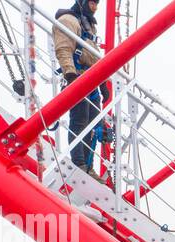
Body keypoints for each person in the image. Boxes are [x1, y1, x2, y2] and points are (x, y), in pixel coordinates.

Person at [53, 0, 106, 180]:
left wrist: (103, 83)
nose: (95, 7)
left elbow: (94, 55)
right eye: (92, 2)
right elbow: (63, 49)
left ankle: (88, 166)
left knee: (93, 124)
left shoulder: (88, 25)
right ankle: (79, 164)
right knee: (80, 122)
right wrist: (70, 74)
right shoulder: (68, 20)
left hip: (90, 80)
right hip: (77, 76)